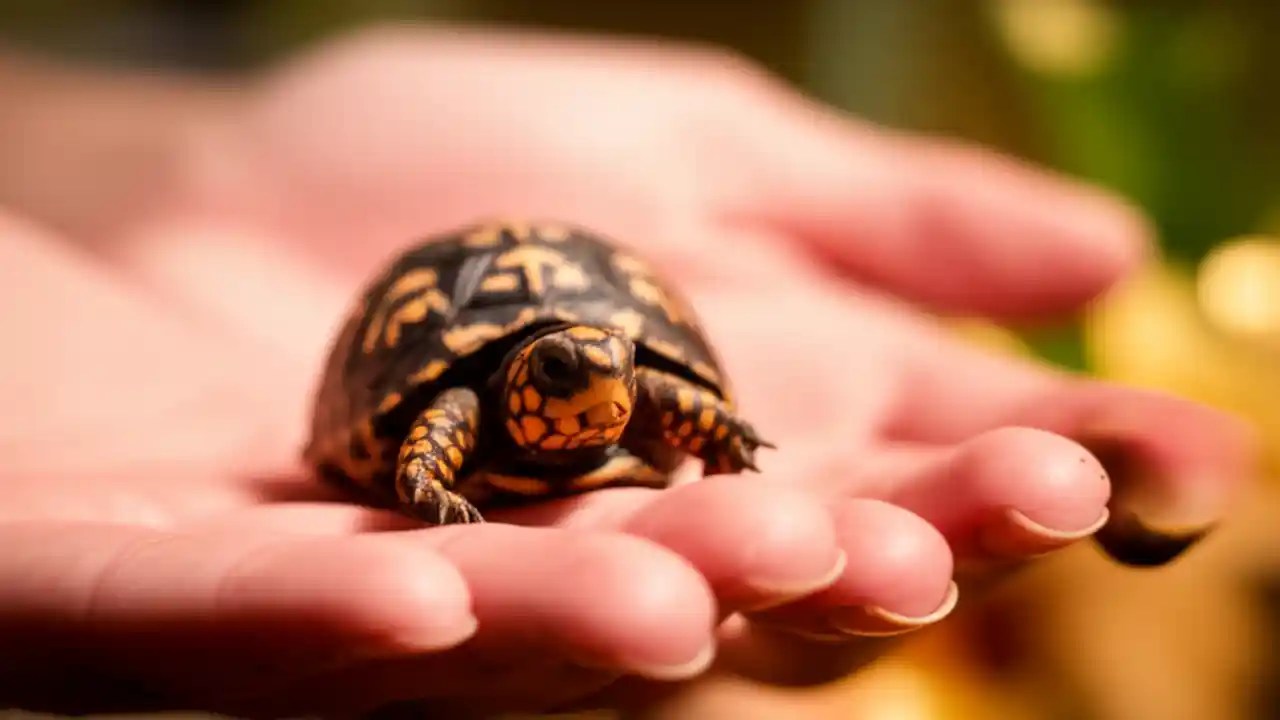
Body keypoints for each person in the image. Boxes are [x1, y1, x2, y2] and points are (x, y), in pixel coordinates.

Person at [0, 24, 1254, 718]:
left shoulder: (635, 389)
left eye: (612, 366)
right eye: (565, 366)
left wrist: (713, 431)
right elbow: (432, 417)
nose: (599, 377)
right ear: (522, 378)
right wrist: (427, 475)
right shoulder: (459, 400)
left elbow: (670, 402)